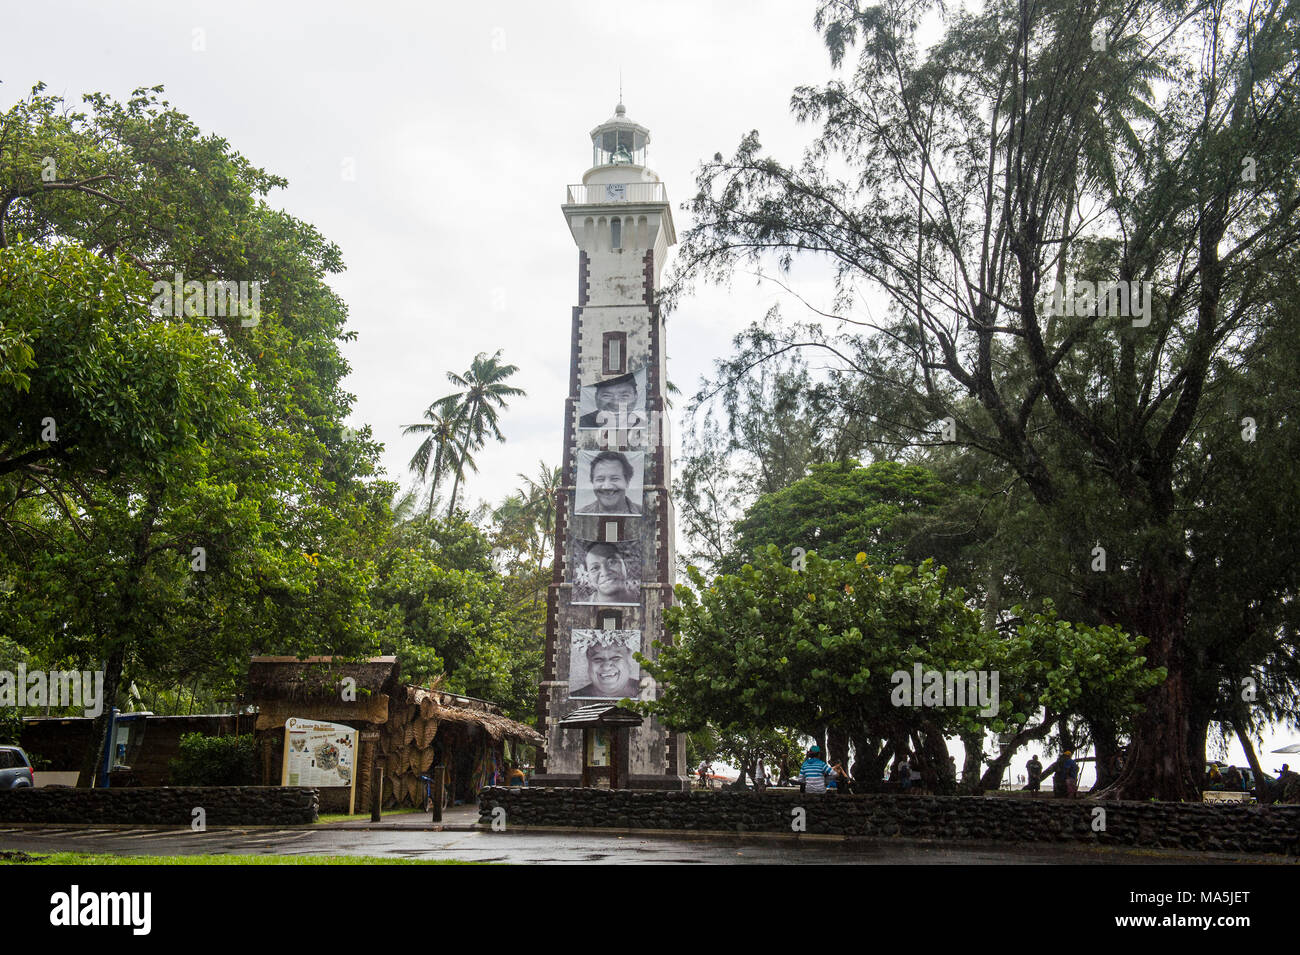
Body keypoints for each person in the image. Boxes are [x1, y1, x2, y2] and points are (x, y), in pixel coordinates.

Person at [577, 451, 642, 515]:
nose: (607, 487)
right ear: (592, 482)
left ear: (627, 482)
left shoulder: (645, 513)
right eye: (600, 479)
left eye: (614, 479)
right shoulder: (580, 514)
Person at [571, 640, 640, 699]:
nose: (606, 667)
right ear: (588, 665)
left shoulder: (646, 691)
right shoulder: (574, 697)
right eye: (597, 659)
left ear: (629, 662)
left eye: (616, 657)